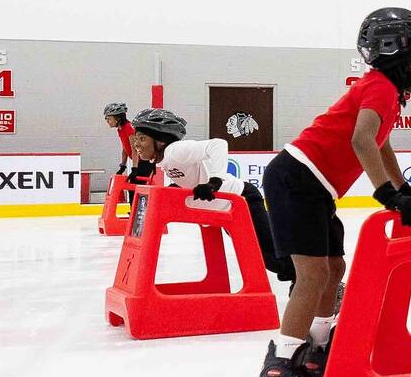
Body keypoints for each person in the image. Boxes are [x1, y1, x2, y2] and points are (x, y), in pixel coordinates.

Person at [252, 7, 411, 377]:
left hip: (314, 187)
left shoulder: (388, 92)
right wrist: (387, 196)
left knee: (334, 269)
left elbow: (379, 143)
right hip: (296, 179)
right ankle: (279, 371)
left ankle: (315, 351)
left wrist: (404, 191)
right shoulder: (380, 88)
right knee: (313, 276)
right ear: (402, 55)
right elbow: (360, 140)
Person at [124, 108, 290, 282]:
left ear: (160, 140)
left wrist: (214, 181)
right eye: (136, 138)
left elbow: (218, 144)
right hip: (226, 210)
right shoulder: (166, 159)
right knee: (267, 258)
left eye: (142, 138)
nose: (136, 144)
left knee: (274, 258)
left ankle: (308, 277)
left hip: (243, 200)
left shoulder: (175, 151)